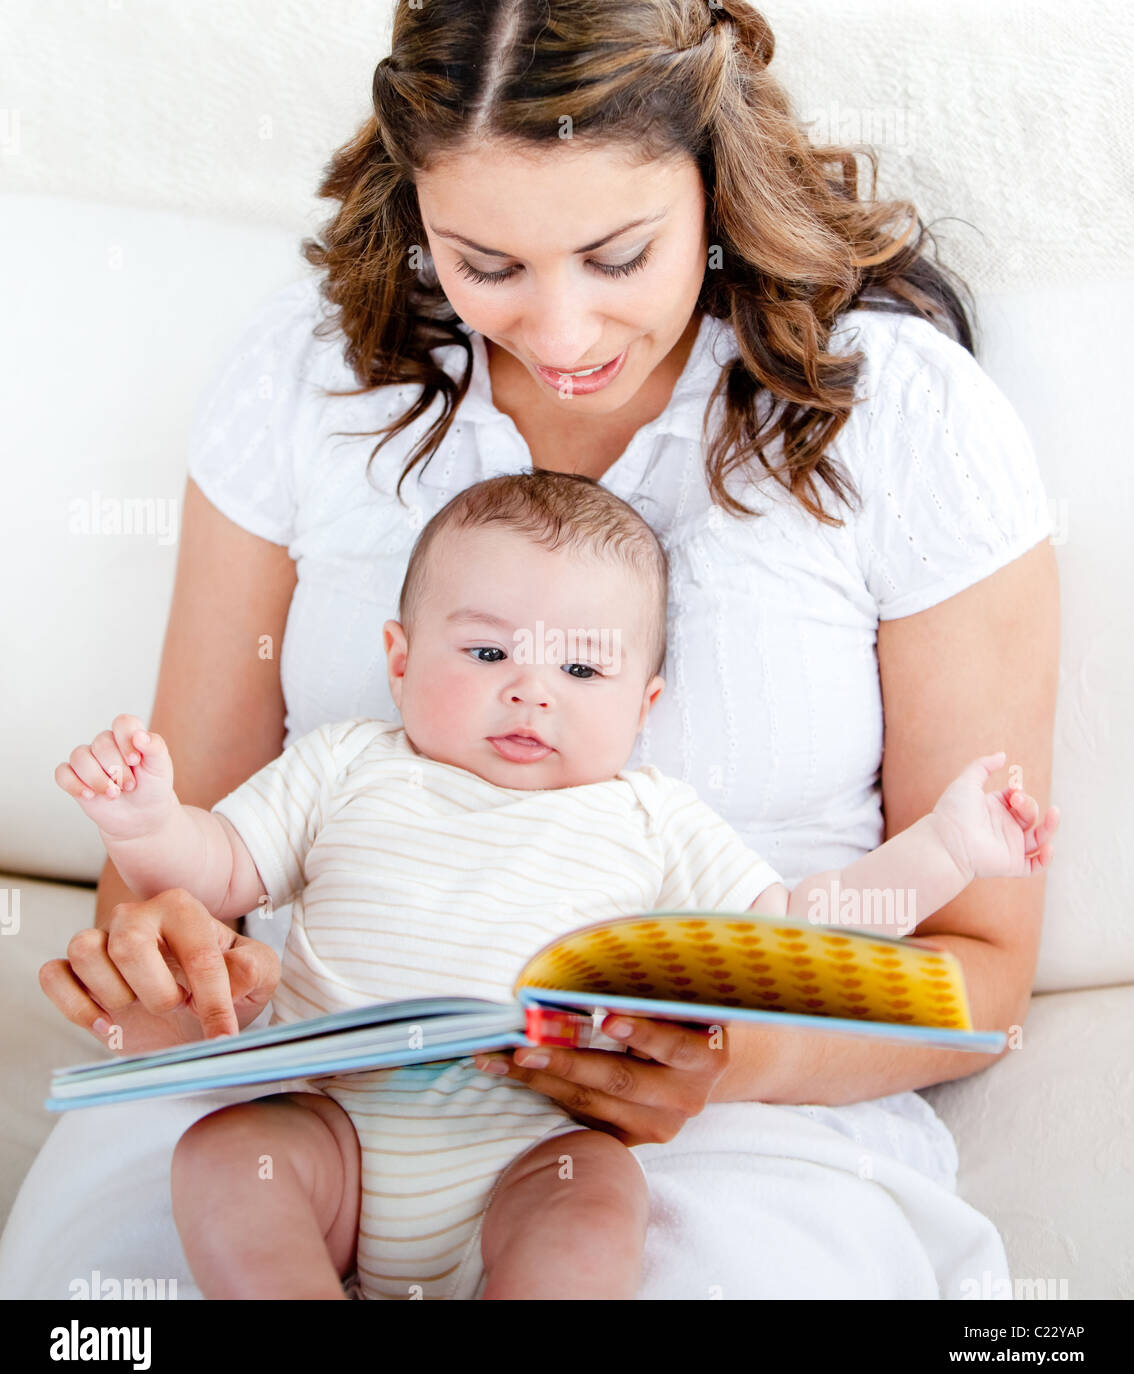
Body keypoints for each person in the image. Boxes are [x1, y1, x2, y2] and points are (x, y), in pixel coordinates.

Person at [7, 0, 1058, 1300]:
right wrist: (165, 957)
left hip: (734, 1122)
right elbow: (186, 863)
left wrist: (727, 1053)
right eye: (484, 262)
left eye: (618, 254)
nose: (557, 336)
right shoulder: (307, 381)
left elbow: (980, 972)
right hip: (309, 1077)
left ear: (713, 177)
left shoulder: (905, 420)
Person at [53, 471, 1058, 1300]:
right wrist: (147, 820)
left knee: (597, 1210)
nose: (531, 689)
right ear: (399, 663)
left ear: (645, 703)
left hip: (540, 1144)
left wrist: (947, 850)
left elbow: (801, 930)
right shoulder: (348, 762)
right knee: (227, 1160)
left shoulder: (651, 814)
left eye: (583, 670)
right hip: (333, 1125)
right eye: (486, 651)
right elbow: (219, 864)